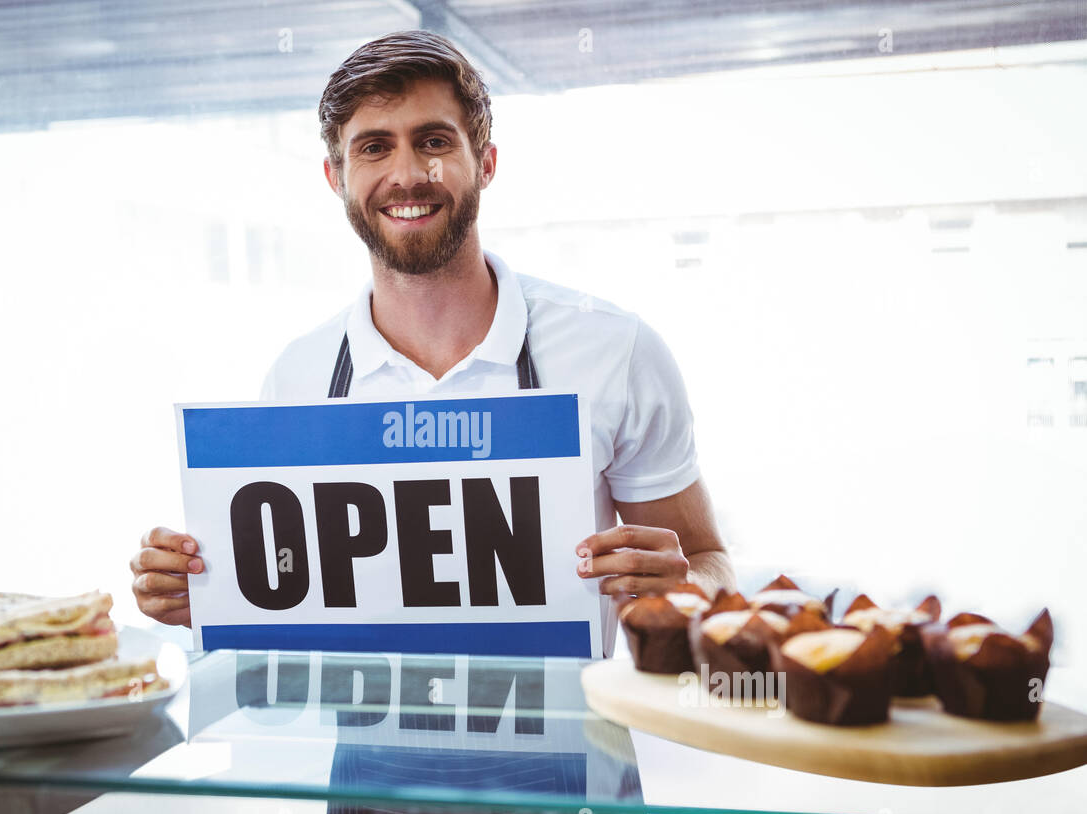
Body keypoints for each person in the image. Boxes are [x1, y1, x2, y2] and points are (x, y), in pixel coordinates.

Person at [131, 29, 736, 653]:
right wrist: (200, 587)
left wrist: (686, 584)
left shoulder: (615, 350)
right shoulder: (297, 378)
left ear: (487, 163)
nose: (408, 174)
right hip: (358, 745)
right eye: (373, 148)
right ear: (335, 178)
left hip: (572, 745)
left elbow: (709, 562)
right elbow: (288, 601)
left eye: (434, 142)